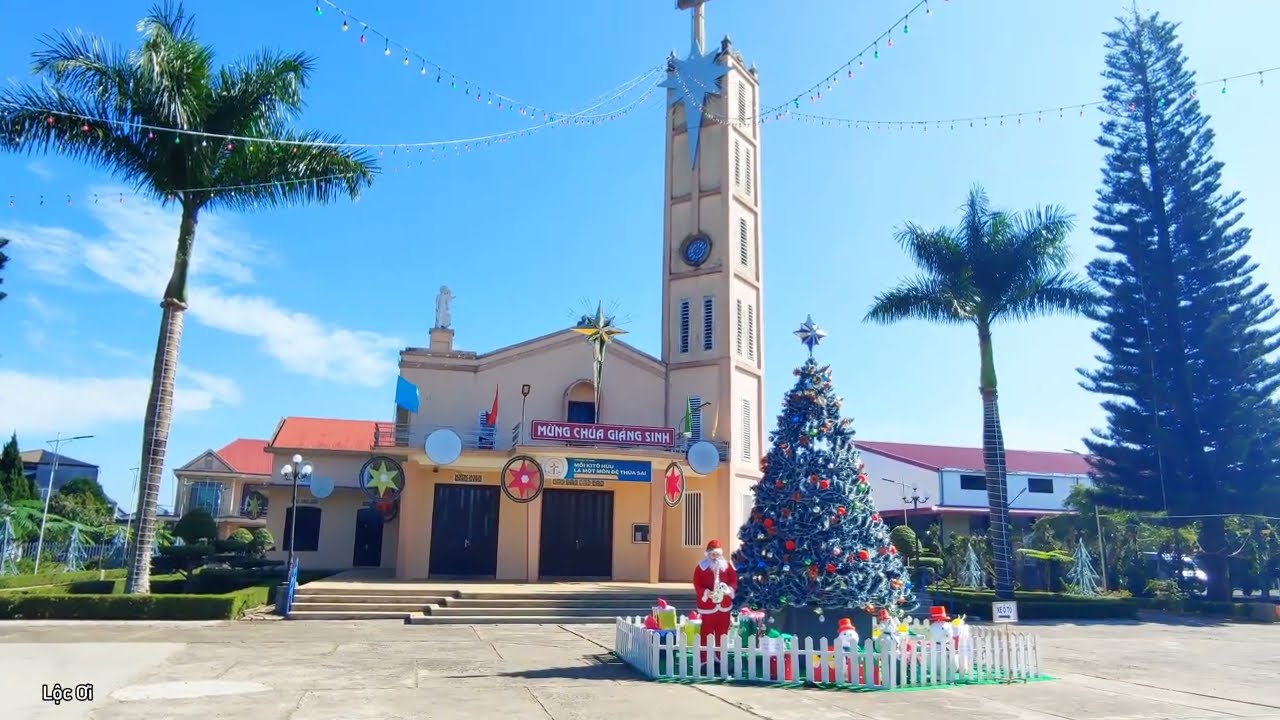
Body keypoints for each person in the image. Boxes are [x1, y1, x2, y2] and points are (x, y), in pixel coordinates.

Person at [692, 539, 737, 667]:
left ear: (720, 554)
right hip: (708, 606)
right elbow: (697, 583)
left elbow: (734, 580)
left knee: (722, 633)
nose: (714, 556)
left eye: (717, 554)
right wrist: (706, 593)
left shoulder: (727, 566)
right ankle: (704, 660)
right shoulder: (701, 567)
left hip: (724, 606)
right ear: (708, 554)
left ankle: (720, 658)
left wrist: (729, 590)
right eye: (712, 554)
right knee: (706, 632)